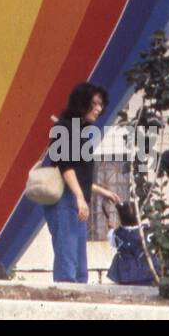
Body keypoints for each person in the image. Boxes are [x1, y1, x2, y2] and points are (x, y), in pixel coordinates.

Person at [42, 82, 121, 283]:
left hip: (76, 199)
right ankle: (66, 297)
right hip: (64, 199)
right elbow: (65, 166)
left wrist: (103, 192)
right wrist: (79, 197)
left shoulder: (82, 132)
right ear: (81, 103)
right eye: (93, 103)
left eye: (100, 104)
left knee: (79, 264)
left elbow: (79, 175)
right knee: (67, 259)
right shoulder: (64, 127)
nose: (98, 109)